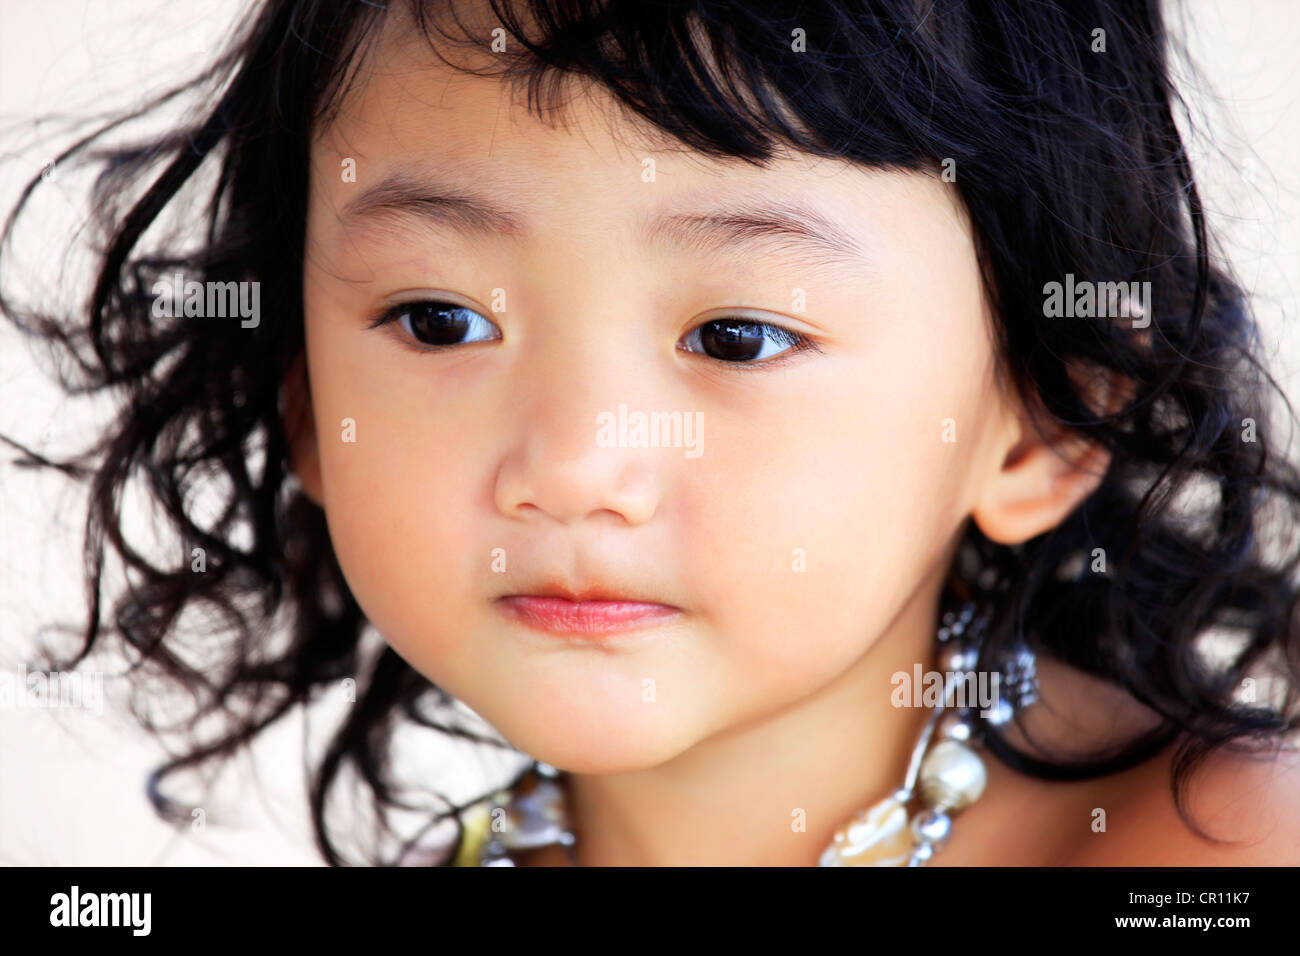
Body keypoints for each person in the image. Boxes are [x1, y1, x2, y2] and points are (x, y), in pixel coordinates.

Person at [3, 0, 1298, 866]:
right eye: (441, 320)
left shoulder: (1221, 850)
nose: (571, 464)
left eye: (737, 337)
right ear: (306, 403)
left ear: (1036, 431)